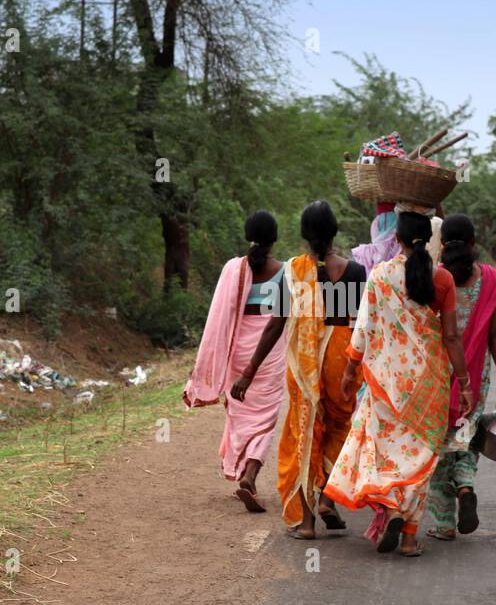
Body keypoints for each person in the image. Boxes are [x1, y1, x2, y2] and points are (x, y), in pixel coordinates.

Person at [323, 208, 475, 558]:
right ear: (429, 239)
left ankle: (390, 507)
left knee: (386, 452)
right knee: (419, 457)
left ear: (398, 240)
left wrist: (349, 372)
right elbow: (451, 337)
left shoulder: (379, 275)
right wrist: (464, 383)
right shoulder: (442, 279)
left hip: (386, 383)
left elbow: (364, 329)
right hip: (429, 383)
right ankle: (408, 537)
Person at [230, 201, 367, 538]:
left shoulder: (292, 272)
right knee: (338, 429)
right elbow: (358, 324)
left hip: (305, 368)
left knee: (304, 435)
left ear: (304, 236)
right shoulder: (353, 271)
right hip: (341, 362)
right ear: (334, 232)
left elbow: (275, 325)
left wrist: (248, 372)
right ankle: (327, 500)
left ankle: (306, 523)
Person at [183, 211, 287, 512]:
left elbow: (219, 317)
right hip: (267, 355)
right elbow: (280, 321)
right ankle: (250, 474)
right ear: (275, 239)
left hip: (237, 352)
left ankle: (242, 472)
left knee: (239, 414)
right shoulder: (285, 272)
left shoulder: (233, 269)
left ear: (247, 236)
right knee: (265, 420)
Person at [424, 215, 496, 541]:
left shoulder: (435, 279)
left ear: (441, 244)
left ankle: (444, 524)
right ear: (474, 244)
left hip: (438, 376)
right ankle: (465, 485)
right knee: (464, 436)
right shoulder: (488, 281)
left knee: (438, 445)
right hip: (475, 377)